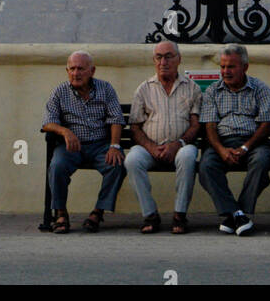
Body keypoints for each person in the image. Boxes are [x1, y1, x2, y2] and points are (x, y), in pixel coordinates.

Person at [42, 50, 125, 234]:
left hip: (100, 145)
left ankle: (97, 212)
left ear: (92, 71)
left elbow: (116, 119)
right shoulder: (60, 92)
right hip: (72, 147)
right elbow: (48, 122)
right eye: (71, 69)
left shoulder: (106, 89)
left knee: (117, 164)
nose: (75, 73)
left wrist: (114, 146)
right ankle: (61, 213)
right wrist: (65, 131)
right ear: (67, 70)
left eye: (80, 69)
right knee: (57, 166)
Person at [198, 43, 270, 235]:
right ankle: (238, 215)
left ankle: (234, 214)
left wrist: (245, 147)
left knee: (261, 160)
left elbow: (266, 124)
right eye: (223, 67)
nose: (225, 71)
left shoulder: (260, 88)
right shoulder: (212, 91)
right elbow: (209, 125)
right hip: (222, 143)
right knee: (206, 166)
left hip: (254, 143)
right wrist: (221, 150)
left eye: (231, 66)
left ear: (245, 67)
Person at [125, 42, 202, 235]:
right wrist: (150, 147)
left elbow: (195, 125)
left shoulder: (192, 88)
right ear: (154, 60)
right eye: (159, 57)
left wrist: (178, 144)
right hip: (150, 148)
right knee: (132, 160)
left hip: (181, 146)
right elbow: (135, 127)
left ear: (179, 59)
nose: (163, 62)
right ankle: (150, 215)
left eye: (168, 56)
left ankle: (180, 214)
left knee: (187, 156)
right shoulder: (144, 89)